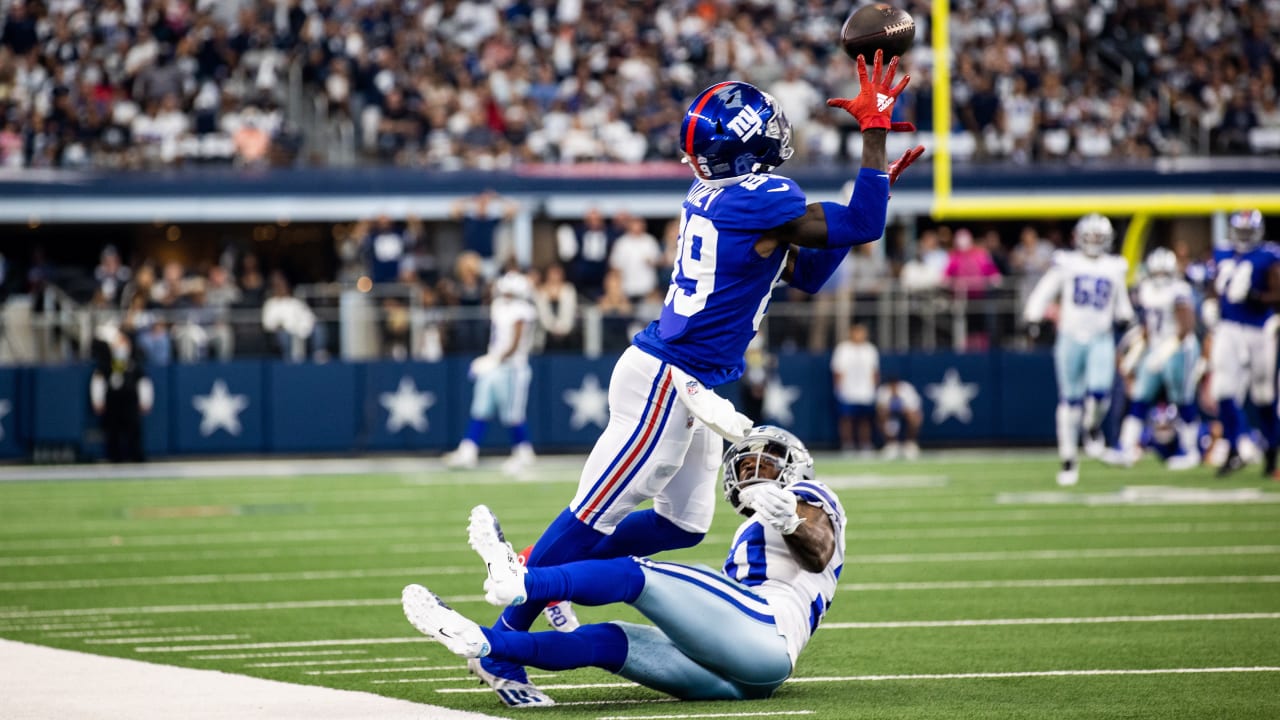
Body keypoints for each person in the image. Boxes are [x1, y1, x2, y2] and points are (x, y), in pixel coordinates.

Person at [467, 51, 922, 707]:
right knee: (593, 513)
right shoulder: (762, 199)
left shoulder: (732, 199)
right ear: (744, 146)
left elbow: (809, 268)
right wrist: (873, 142)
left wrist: (869, 191)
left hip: (694, 387)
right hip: (667, 380)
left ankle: (555, 574)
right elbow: (862, 224)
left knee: (681, 526)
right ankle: (507, 638)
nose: (774, 126)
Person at [403, 426, 844, 704]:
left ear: (795, 466)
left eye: (764, 463)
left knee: (640, 573)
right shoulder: (750, 532)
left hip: (766, 627)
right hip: (750, 677)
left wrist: (791, 520)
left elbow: (819, 547)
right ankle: (485, 645)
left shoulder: (813, 499)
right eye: (746, 466)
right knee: (608, 642)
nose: (754, 474)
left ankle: (527, 580)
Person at [1023, 214, 1134, 486]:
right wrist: (1033, 316)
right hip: (1070, 336)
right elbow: (1045, 290)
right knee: (1070, 400)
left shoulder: (1114, 267)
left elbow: (1122, 303)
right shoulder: (1067, 263)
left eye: (1099, 237)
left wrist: (1126, 317)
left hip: (1101, 337)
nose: (1095, 242)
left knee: (1099, 392)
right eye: (1091, 237)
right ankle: (1069, 459)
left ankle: (1092, 427)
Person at [1104, 247, 1202, 470]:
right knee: (1140, 397)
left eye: (1162, 272)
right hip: (1155, 348)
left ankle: (1190, 450)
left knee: (1182, 399)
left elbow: (1186, 327)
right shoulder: (1146, 289)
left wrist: (1166, 350)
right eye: (1155, 272)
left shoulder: (1179, 290)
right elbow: (1148, 327)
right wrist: (1137, 351)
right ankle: (1126, 447)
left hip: (1180, 349)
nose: (1159, 277)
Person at [1205, 210, 1280, 476]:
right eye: (1242, 231)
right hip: (1228, 328)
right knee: (1222, 389)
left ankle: (1271, 453)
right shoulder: (1222, 253)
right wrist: (1212, 303)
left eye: (1249, 232)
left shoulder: (1269, 255)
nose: (1244, 237)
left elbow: (1277, 295)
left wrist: (1255, 296)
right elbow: (1215, 285)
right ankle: (1234, 449)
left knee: (1263, 395)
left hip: (1258, 330)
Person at [443, 269, 539, 476]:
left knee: (512, 414)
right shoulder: (498, 307)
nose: (505, 295)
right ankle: (468, 451)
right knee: (481, 407)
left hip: (513, 367)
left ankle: (523, 452)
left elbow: (514, 344)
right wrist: (491, 360)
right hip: (496, 365)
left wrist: (492, 360)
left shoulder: (523, 310)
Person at [89, 325, 153, 463]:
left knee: (133, 428)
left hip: (130, 399)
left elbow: (143, 382)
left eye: (123, 342)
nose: (121, 345)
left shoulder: (134, 364)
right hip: (113, 400)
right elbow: (99, 381)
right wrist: (98, 400)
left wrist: (145, 400)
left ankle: (136, 455)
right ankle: (114, 456)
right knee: (112, 429)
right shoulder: (106, 363)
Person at [831, 323, 879, 455]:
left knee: (865, 419)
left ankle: (865, 444)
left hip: (866, 391)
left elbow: (874, 372)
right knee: (846, 419)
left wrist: (874, 388)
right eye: (856, 332)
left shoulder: (870, 349)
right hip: (848, 391)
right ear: (851, 333)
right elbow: (837, 370)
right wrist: (838, 389)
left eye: (862, 332)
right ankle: (848, 445)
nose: (859, 335)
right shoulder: (843, 349)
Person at [875, 376, 922, 460]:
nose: (893, 388)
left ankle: (910, 443)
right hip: (891, 417)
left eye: (895, 386)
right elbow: (880, 409)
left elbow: (914, 409)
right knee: (881, 416)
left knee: (914, 417)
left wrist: (902, 408)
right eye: (891, 386)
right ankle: (891, 444)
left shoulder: (907, 389)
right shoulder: (883, 391)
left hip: (905, 414)